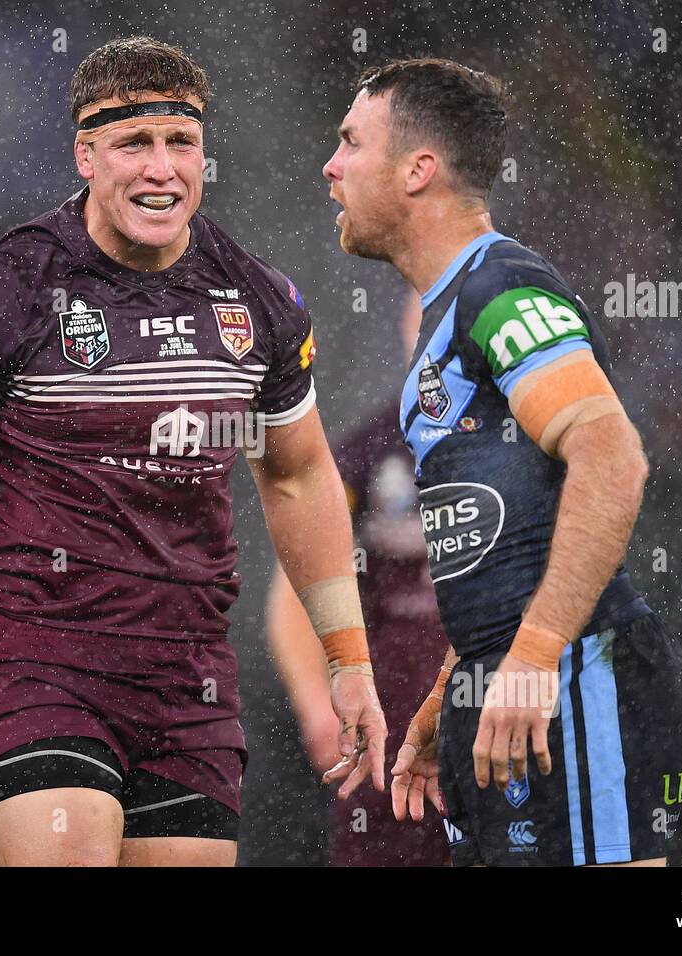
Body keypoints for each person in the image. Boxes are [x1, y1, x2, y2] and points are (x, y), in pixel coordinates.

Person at [0, 36, 386, 867]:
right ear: (86, 155)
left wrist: (349, 662)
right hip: (33, 667)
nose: (161, 170)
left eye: (180, 143)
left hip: (188, 682)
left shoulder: (259, 300)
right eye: (133, 144)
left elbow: (299, 479)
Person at [321, 57, 682, 866]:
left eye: (351, 142)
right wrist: (446, 693)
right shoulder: (445, 315)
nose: (331, 164)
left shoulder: (503, 288)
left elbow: (612, 454)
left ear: (418, 169)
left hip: (576, 678)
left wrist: (530, 657)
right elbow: (501, 539)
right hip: (499, 689)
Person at [266, 296, 452, 865]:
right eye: (425, 324)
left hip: (496, 702)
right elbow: (298, 587)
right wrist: (316, 705)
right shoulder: (367, 453)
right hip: (388, 713)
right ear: (402, 329)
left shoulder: (523, 446)